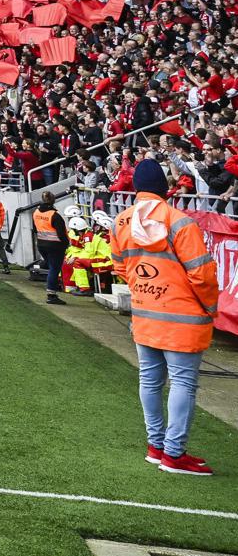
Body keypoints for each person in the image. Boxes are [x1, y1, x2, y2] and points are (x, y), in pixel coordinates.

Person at [112, 159, 220, 475]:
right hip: (183, 318)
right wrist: (209, 307)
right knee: (182, 382)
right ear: (164, 188)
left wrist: (146, 291)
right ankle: (173, 454)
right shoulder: (180, 222)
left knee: (150, 380)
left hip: (145, 315)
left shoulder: (120, 222)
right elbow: (202, 274)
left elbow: (120, 267)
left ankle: (156, 447)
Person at [30, 194, 69, 304]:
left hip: (41, 244)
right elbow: (61, 234)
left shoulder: (36, 213)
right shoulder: (55, 216)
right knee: (54, 269)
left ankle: (52, 289)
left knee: (52, 267)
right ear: (53, 201)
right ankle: (51, 294)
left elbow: (35, 229)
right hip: (55, 246)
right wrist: (66, 245)